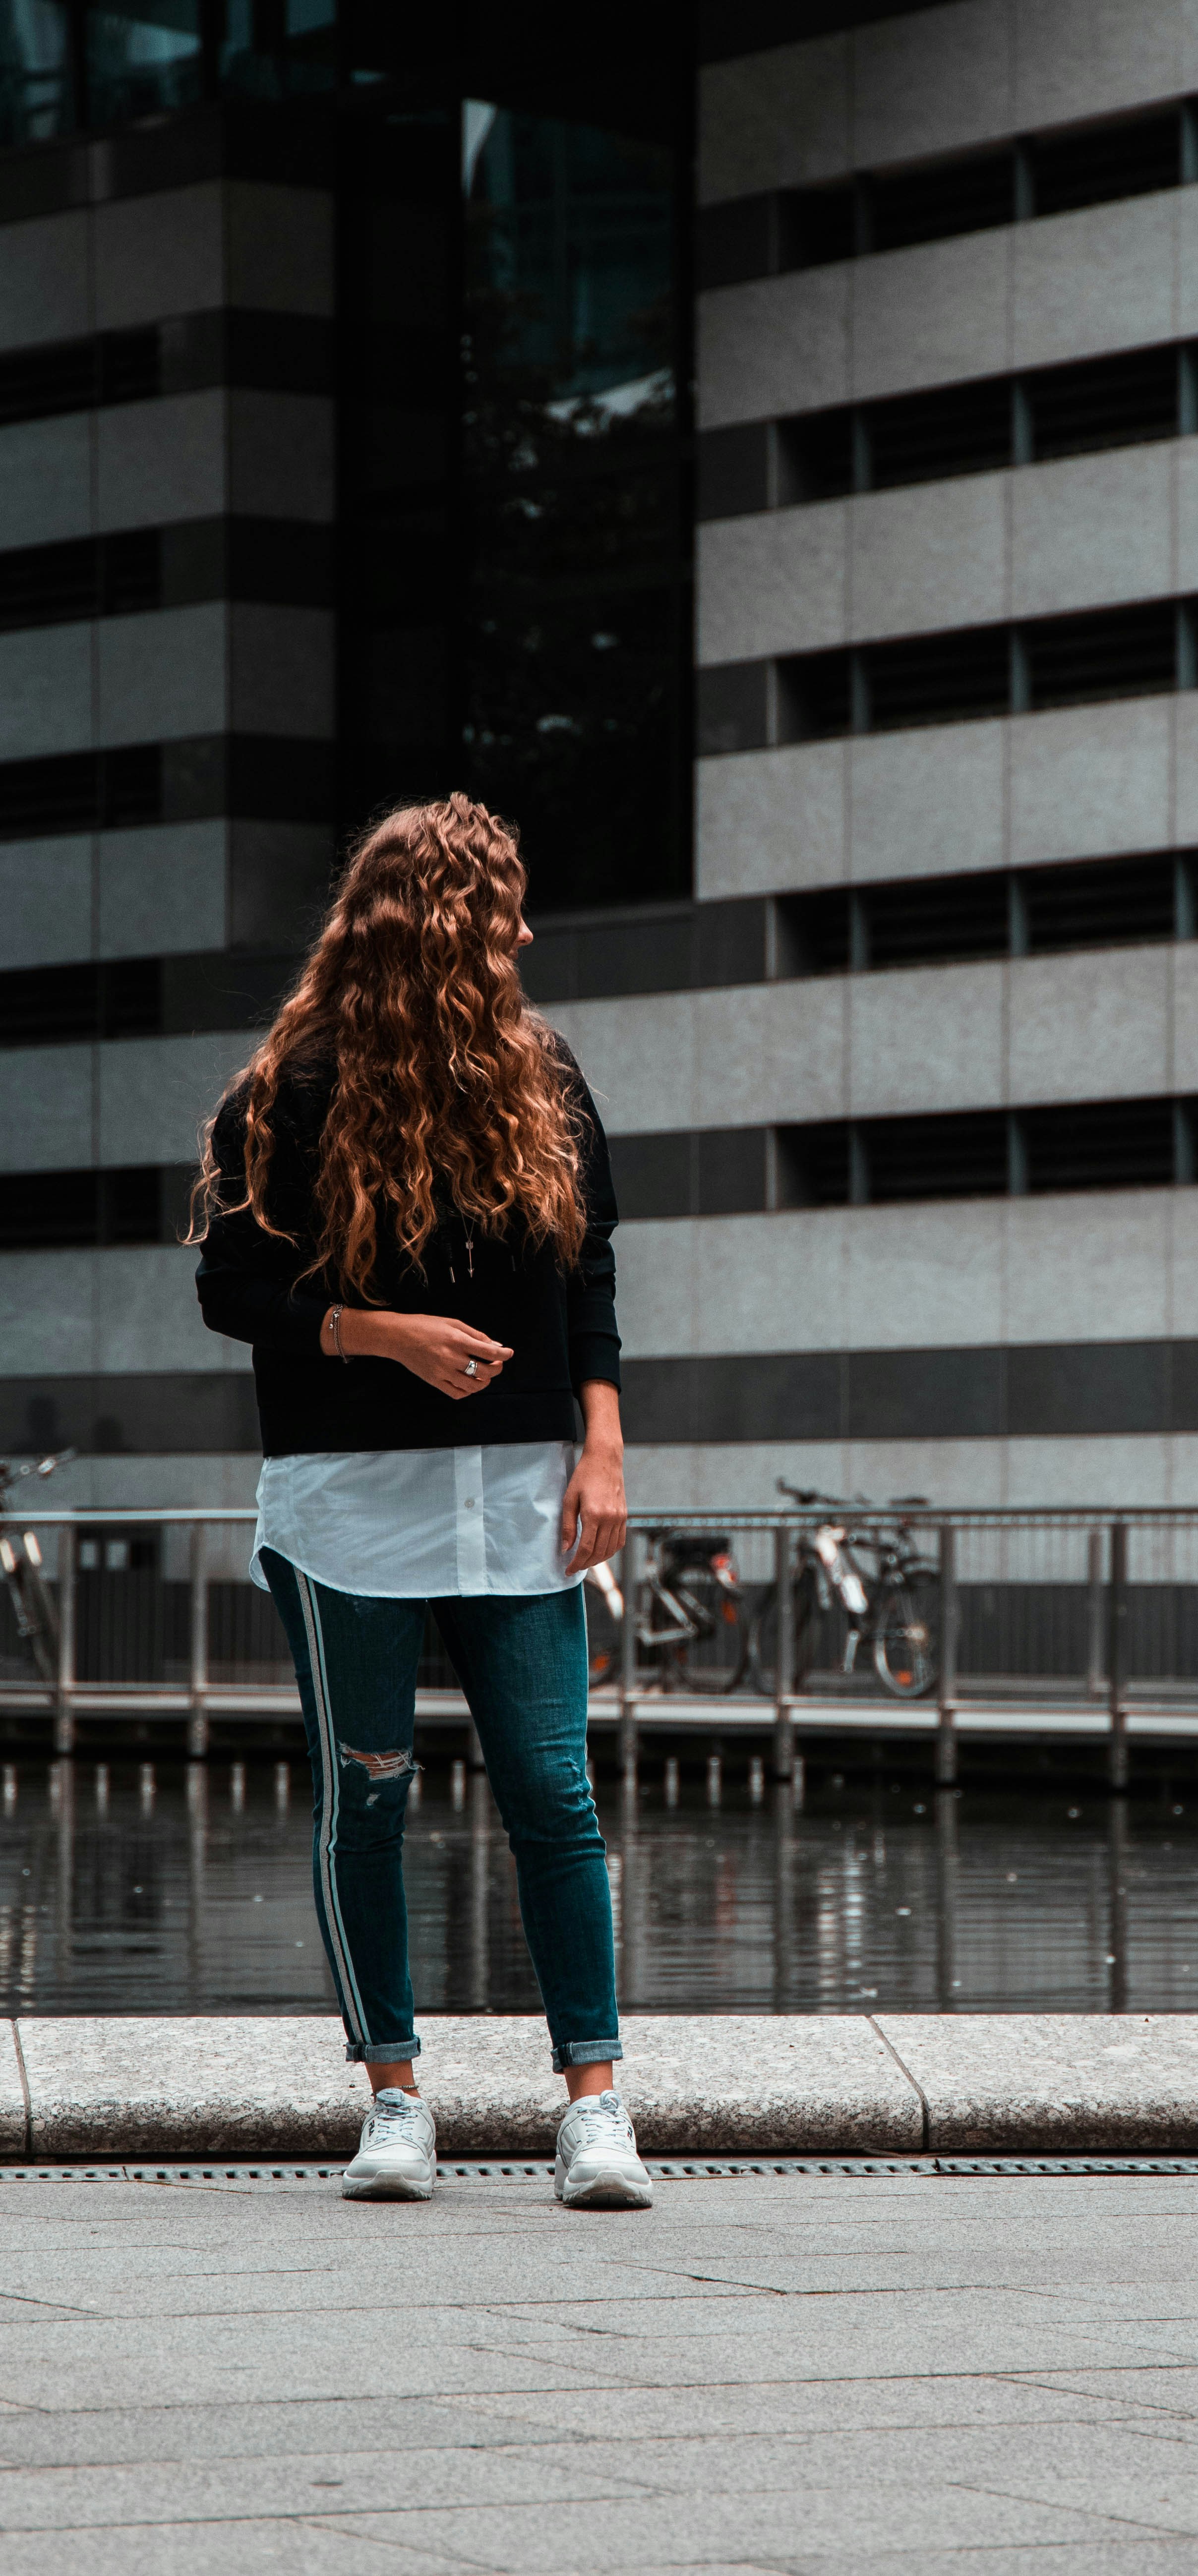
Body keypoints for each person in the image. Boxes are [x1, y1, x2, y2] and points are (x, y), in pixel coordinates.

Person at [190, 793, 651, 2212]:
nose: (519, 927)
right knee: (365, 1798)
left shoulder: (543, 1074)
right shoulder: (291, 1088)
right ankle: (392, 2095)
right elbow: (231, 1290)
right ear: (438, 918)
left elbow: (590, 1277)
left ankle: (595, 2103)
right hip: (348, 1501)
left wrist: (605, 1446)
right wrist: (378, 1331)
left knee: (556, 1791)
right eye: (499, 902)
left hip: (523, 1496)